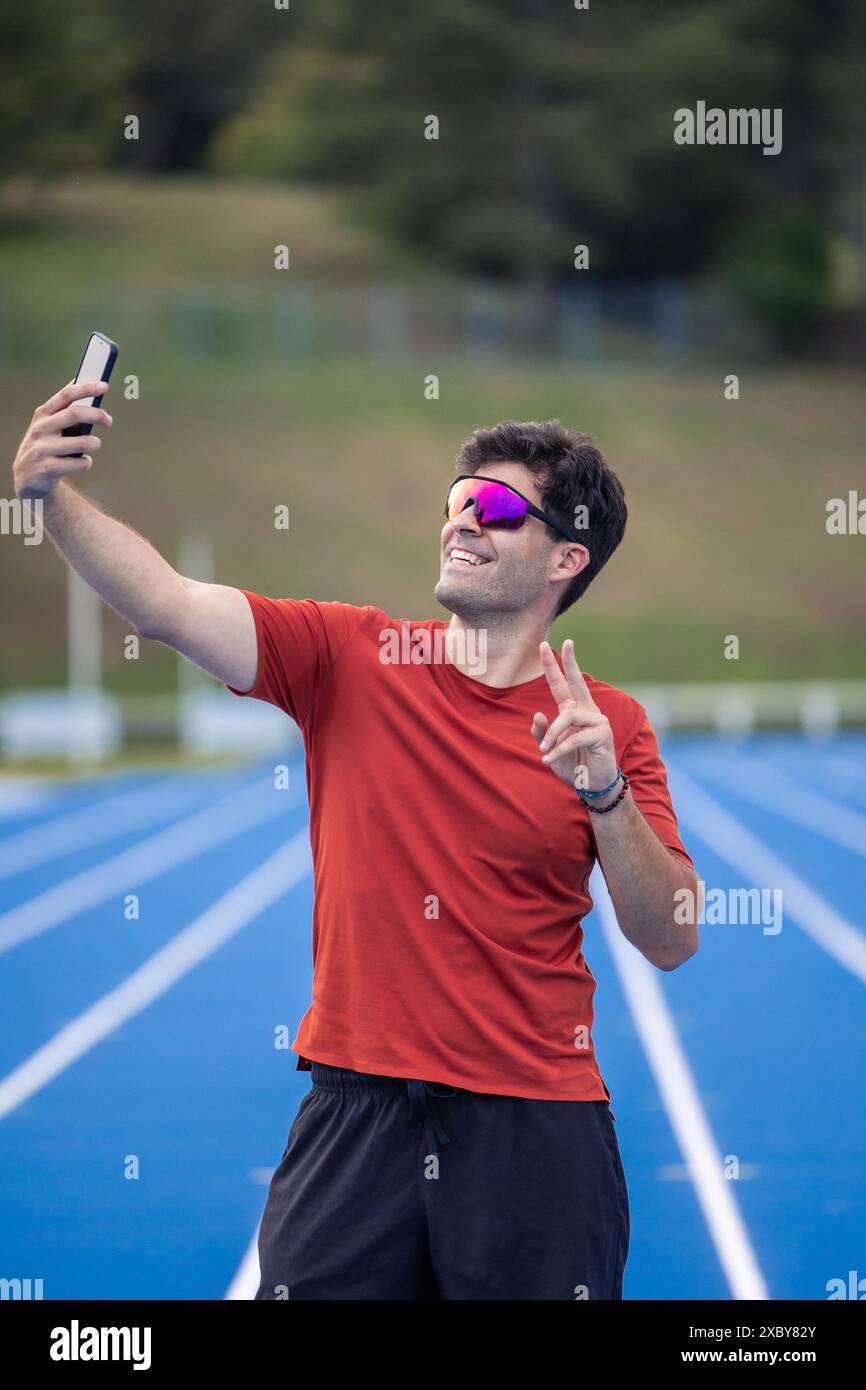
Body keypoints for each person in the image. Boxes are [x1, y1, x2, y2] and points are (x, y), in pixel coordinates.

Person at [13, 379, 699, 1301]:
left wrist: (606, 794)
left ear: (565, 557)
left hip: (534, 1126)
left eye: (494, 509)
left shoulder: (608, 725)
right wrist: (54, 499)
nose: (461, 522)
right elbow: (165, 606)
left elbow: (670, 938)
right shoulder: (348, 656)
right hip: (355, 1114)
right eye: (456, 501)